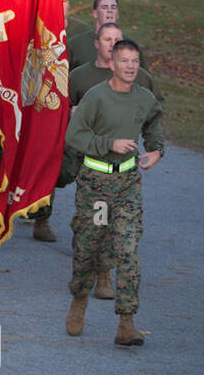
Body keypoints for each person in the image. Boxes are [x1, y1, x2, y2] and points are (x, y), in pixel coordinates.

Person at [64, 40, 164, 346]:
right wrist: (109, 144)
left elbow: (155, 119)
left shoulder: (144, 98)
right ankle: (80, 297)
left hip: (127, 184)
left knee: (127, 249)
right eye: (125, 61)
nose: (131, 66)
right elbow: (74, 136)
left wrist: (156, 149)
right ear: (112, 63)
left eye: (135, 61)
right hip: (95, 182)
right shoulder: (96, 97)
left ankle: (126, 322)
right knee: (88, 248)